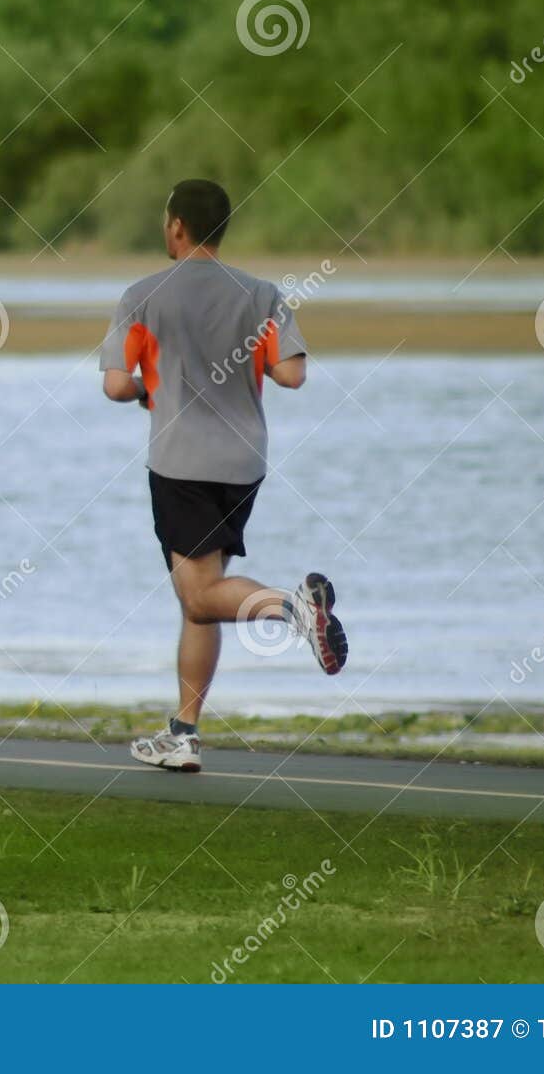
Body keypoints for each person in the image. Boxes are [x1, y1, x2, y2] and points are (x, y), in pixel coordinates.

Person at [99, 178, 347, 773]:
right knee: (199, 602)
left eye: (166, 222)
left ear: (177, 226)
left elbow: (114, 386)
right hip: (243, 465)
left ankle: (293, 609)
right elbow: (291, 375)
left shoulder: (142, 295)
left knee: (201, 596)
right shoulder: (261, 294)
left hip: (181, 461)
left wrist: (145, 390)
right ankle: (184, 734)